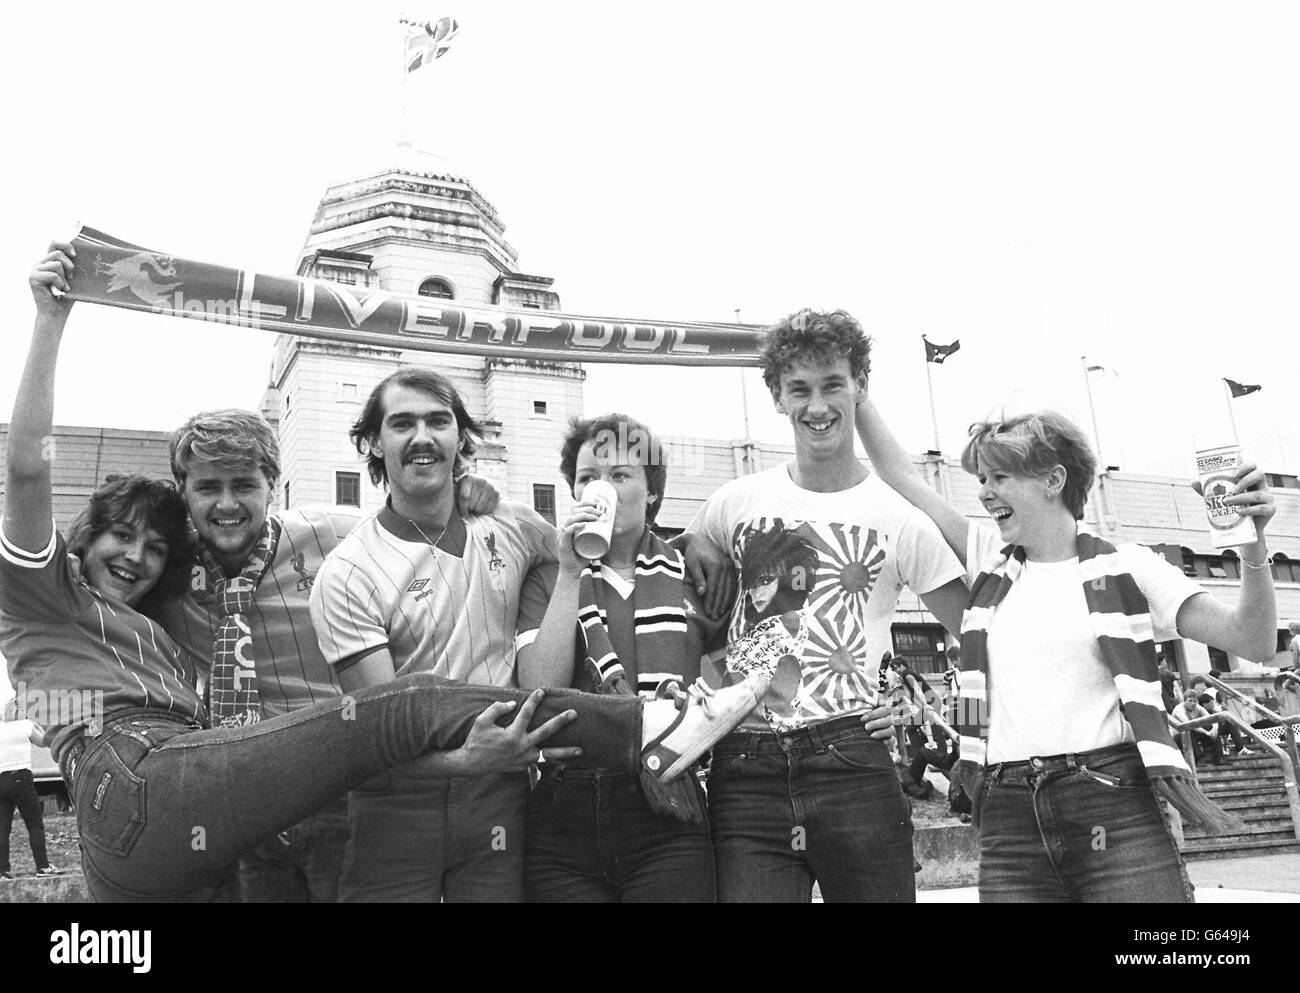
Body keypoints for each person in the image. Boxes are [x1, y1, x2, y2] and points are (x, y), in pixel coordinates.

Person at [2, 241, 753, 902]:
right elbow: (29, 475)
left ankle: (649, 725)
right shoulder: (132, 585)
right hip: (218, 783)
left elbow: (578, 541)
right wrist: (51, 317)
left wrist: (694, 541)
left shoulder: (328, 537)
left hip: (336, 808)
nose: (138, 556)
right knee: (399, 704)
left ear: (272, 487)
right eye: (206, 490)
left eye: (245, 486)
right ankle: (646, 727)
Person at [309, 371, 765, 902]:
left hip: (508, 805)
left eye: (439, 421)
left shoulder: (515, 526)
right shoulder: (347, 573)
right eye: (402, 423)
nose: (423, 437)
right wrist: (466, 760)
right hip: (409, 805)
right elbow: (377, 730)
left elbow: (610, 552)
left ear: (461, 440)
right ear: (373, 442)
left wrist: (695, 539)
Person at [853, 395, 1277, 903]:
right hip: (1008, 810)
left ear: (1054, 481)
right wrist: (859, 394)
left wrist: (1252, 544)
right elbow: (905, 478)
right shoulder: (988, 559)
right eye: (982, 480)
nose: (985, 494)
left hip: (1111, 801)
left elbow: (1252, 640)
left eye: (999, 478)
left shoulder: (1130, 566)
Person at [683, 308, 969, 903]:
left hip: (852, 759)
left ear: (860, 387)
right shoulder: (734, 501)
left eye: (833, 384)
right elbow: (688, 571)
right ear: (777, 397)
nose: (818, 406)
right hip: (747, 762)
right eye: (800, 389)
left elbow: (979, 633)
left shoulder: (902, 518)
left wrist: (941, 726)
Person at [516, 413, 727, 902]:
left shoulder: (696, 576)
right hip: (565, 807)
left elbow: (728, 695)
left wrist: (691, 707)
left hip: (669, 803)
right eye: (588, 477)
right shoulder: (549, 578)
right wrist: (570, 573)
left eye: (619, 475)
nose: (600, 489)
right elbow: (535, 691)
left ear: (652, 492)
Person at [0, 702, 59, 880]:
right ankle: (43, 867)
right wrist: (38, 726)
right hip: (21, 778)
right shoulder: (25, 725)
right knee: (34, 825)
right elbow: (43, 742)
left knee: (2, 829)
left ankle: (2, 871)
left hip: (0, 779)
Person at [1172, 690, 1223, 766]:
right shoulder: (1179, 710)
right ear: (1184, 701)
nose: (1193, 703)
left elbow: (1211, 718)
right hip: (1178, 735)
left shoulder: (1198, 707)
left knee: (1210, 727)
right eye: (1190, 701)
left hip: (1194, 732)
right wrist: (1206, 733)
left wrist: (1214, 729)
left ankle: (1218, 757)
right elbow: (1188, 725)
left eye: (1195, 701)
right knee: (1188, 731)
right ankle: (1198, 758)